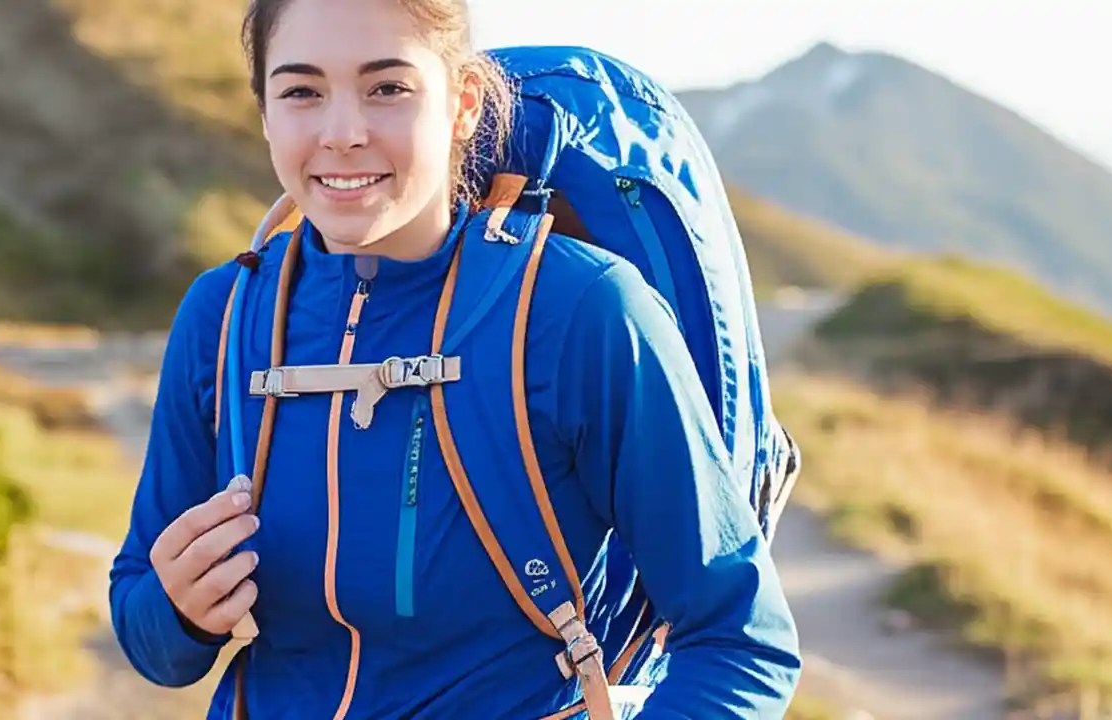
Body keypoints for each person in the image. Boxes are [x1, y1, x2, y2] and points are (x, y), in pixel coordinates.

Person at [108, 0, 802, 717]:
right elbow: (146, 633)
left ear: (463, 103)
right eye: (301, 92)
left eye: (387, 88)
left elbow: (741, 643)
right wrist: (178, 608)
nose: (342, 133)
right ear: (265, 112)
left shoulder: (580, 311)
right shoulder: (224, 313)